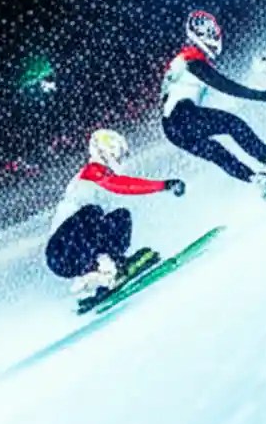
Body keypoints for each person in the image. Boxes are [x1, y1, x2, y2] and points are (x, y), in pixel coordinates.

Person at [161, 10, 266, 193]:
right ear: (199, 35)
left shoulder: (181, 61)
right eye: (212, 35)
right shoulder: (192, 61)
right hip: (182, 117)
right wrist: (262, 95)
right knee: (233, 124)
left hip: (172, 129)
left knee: (217, 153)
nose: (215, 38)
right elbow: (226, 86)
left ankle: (258, 180)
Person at [46, 129, 184, 301]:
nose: (119, 161)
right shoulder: (92, 170)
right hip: (63, 249)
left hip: (65, 259)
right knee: (94, 214)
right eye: (118, 155)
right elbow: (121, 185)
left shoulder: (89, 179)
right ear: (106, 151)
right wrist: (164, 185)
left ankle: (98, 275)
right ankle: (111, 266)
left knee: (120, 217)